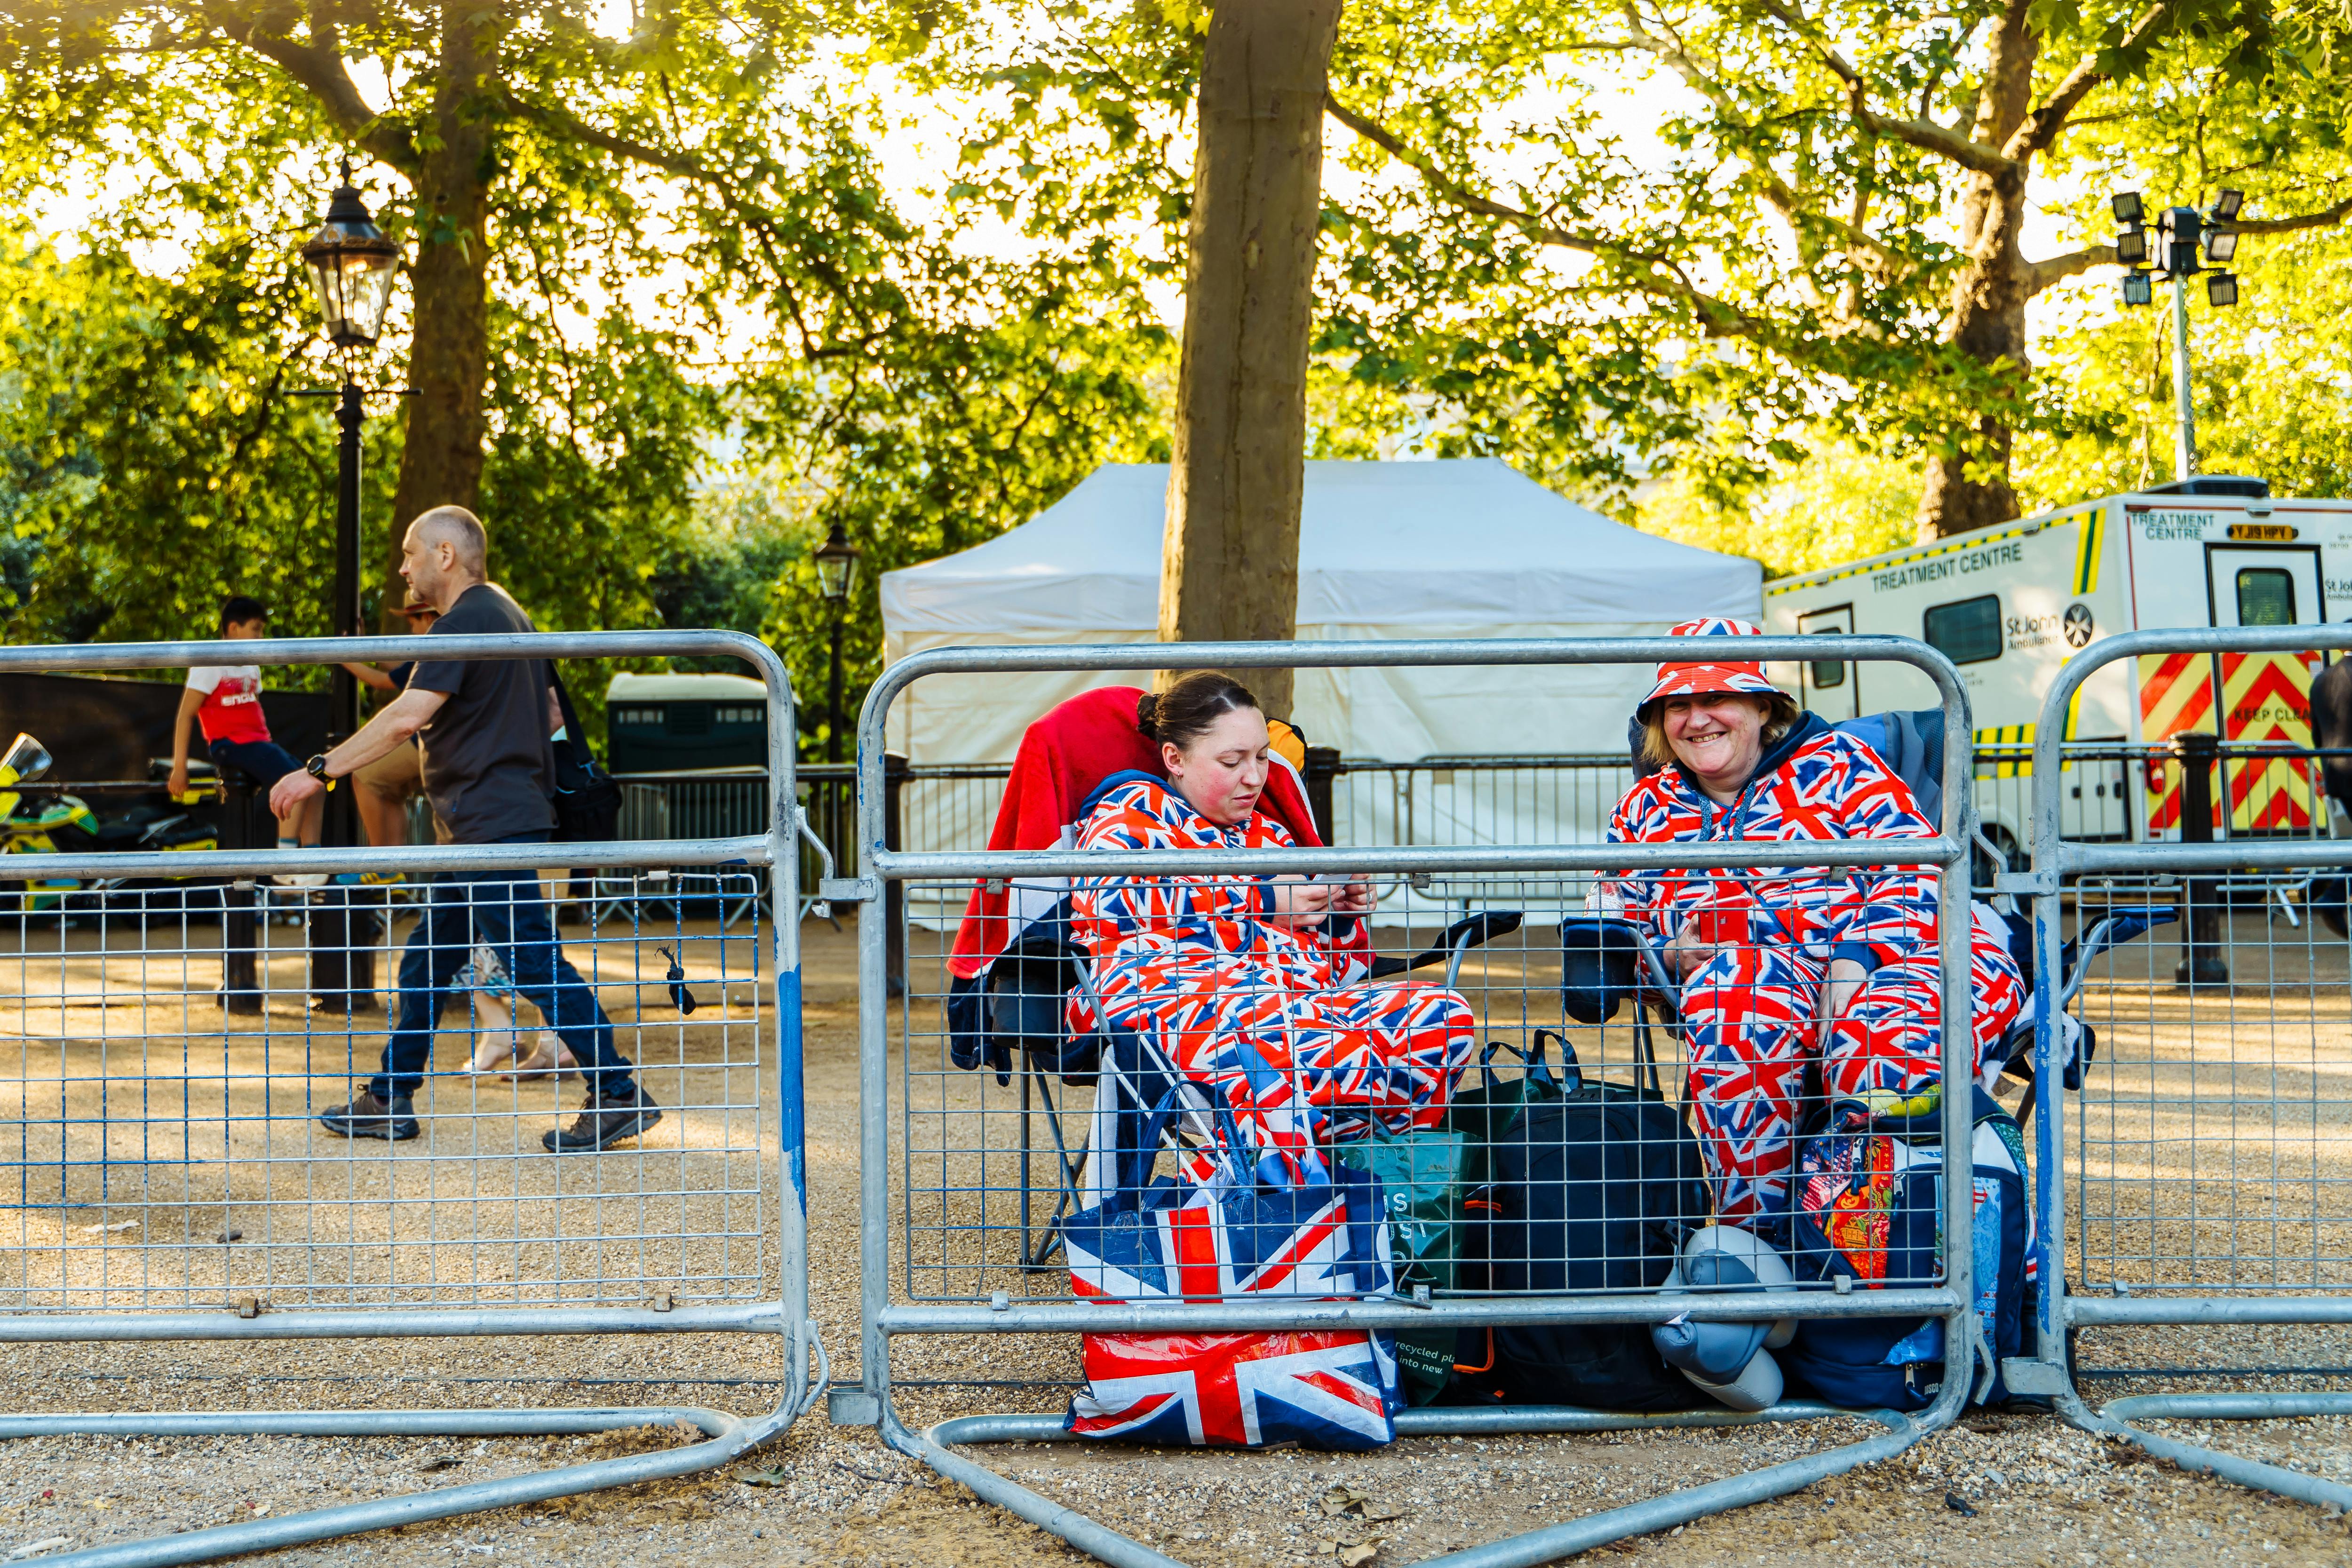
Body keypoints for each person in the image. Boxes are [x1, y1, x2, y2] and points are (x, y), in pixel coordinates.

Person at [1596, 619, 2025, 1222]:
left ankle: (1897, 1245)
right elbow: (1610, 934)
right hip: (1757, 978)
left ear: (1761, 705)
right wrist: (1664, 957)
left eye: (1717, 696)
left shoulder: (1839, 766)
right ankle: (1766, 1242)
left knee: (1878, 1037)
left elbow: (1920, 872)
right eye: (1677, 705)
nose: (1696, 719)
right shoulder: (1643, 809)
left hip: (1905, 953)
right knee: (1728, 1004)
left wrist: (1854, 961)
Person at [272, 505, 656, 1152]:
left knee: (532, 959)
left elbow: (406, 716)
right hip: (478, 824)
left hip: (489, 825)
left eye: (410, 553)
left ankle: (617, 1091)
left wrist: (319, 770)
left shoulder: (465, 621)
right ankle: (389, 1097)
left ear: (445, 555)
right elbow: (550, 711)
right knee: (426, 963)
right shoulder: (508, 613)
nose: (404, 568)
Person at [1065, 671, 1475, 1174]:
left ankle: (1364, 1178)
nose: (1254, 777)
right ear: (1174, 758)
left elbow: (1335, 970)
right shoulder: (1130, 815)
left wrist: (1336, 914)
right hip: (1165, 1006)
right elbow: (1112, 905)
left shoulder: (1270, 834)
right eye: (1231, 761)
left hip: (1292, 1006)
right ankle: (1280, 1193)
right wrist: (1262, 900)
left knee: (1442, 1017)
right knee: (1323, 1052)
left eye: (1261, 757)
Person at [169, 595, 325, 884]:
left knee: (315, 782)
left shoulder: (252, 664)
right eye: (256, 629)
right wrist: (180, 768)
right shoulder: (210, 662)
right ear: (233, 628)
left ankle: (312, 860)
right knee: (295, 782)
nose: (260, 636)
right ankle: (286, 864)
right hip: (230, 743)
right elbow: (185, 715)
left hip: (258, 742)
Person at [339, 597, 439, 852]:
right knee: (392, 793)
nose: (412, 631)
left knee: (364, 777)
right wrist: (362, 646)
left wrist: (344, 658)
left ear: (428, 618)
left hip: (431, 738)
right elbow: (392, 666)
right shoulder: (438, 647)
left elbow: (382, 681)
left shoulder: (434, 650)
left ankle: (378, 861)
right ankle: (394, 868)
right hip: (438, 739)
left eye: (412, 623)